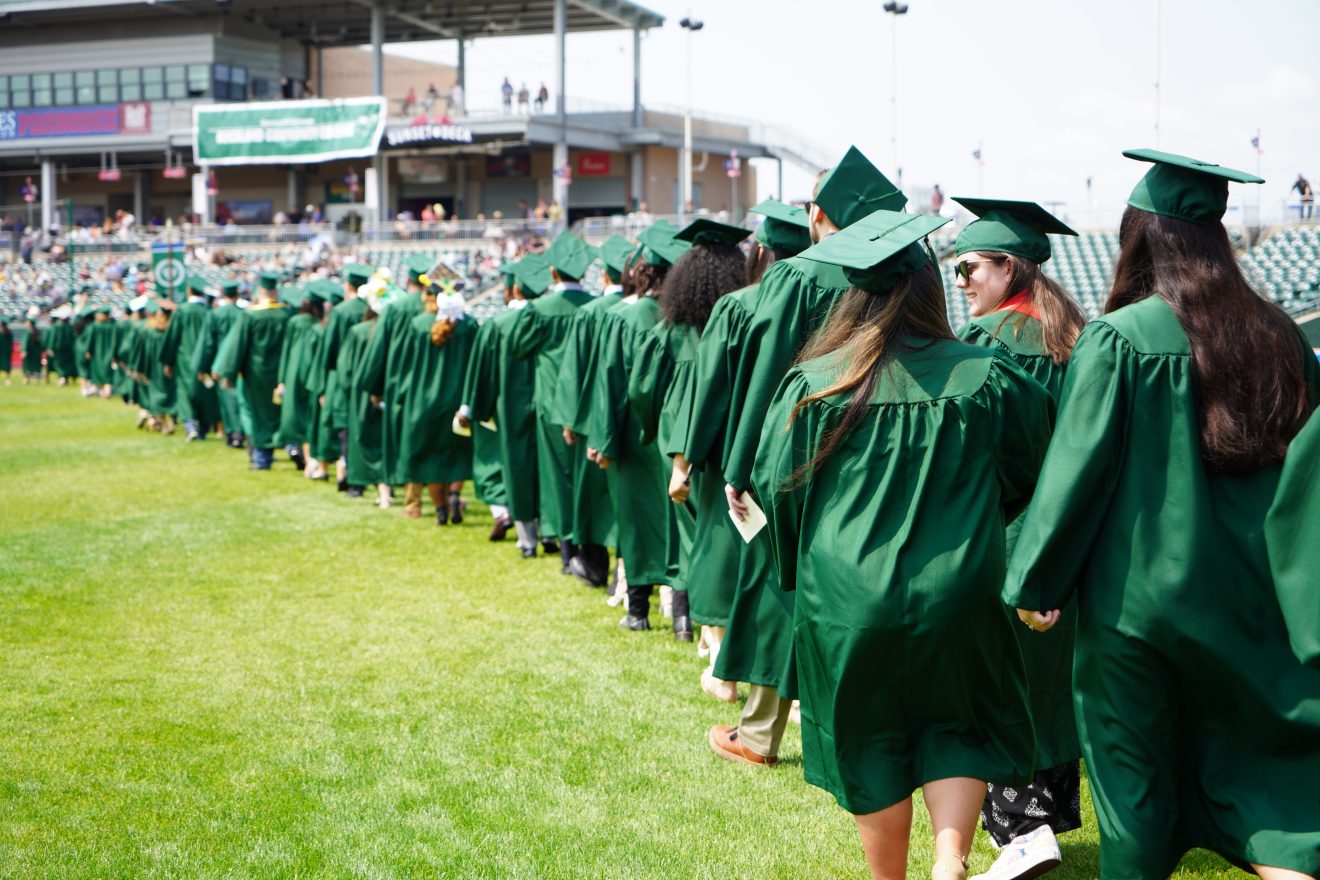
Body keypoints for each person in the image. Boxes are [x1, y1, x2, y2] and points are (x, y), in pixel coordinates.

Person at [1006, 149, 1320, 880]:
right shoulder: (1280, 336)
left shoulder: (1120, 341)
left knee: (1136, 799)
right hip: (1253, 604)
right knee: (1264, 786)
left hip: (1136, 617)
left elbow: (1075, 474)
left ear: (1139, 240)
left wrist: (1037, 584)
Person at [753, 209, 1052, 880]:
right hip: (961, 587)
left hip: (848, 592)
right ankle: (950, 864)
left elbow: (783, 494)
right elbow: (1030, 466)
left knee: (873, 738)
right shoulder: (986, 376)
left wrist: (803, 572)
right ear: (930, 292)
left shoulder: (816, 383)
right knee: (957, 726)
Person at [707, 147, 905, 771]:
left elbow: (763, 375)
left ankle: (760, 734)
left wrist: (739, 466)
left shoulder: (798, 273)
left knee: (777, 586)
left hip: (797, 452)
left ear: (818, 213)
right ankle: (869, 727)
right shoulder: (905, 266)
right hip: (882, 450)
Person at [948, 197, 1088, 880]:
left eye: (970, 266)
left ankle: (1023, 831)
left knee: (996, 678)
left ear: (1009, 268)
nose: (961, 278)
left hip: (1005, 536)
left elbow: (983, 456)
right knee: (1048, 679)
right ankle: (1045, 820)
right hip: (1067, 538)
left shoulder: (991, 344)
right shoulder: (1075, 337)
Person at [631, 218, 749, 646]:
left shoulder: (668, 332)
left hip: (680, 442)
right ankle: (719, 627)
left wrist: (653, 431)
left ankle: (688, 621)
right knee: (727, 534)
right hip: (734, 440)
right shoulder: (744, 323)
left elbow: (642, 391)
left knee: (689, 535)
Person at [591, 222, 692, 632]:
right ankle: (685, 617)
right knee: (677, 521)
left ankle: (639, 612)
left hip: (635, 438)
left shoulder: (624, 316)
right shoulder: (688, 321)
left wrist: (604, 441)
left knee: (635, 523)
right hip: (677, 439)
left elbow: (612, 384)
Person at [508, 232, 601, 571]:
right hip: (590, 405)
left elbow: (517, 347)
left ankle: (567, 552)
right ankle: (592, 549)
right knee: (588, 478)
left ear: (553, 274)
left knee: (557, 477)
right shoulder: (597, 307)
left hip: (551, 404)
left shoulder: (539, 309)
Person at [557, 235, 633, 581]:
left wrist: (570, 419)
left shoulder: (590, 313)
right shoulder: (641, 312)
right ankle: (627, 566)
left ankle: (594, 564)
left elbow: (573, 372)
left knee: (593, 495)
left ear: (604, 275)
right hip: (632, 420)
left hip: (591, 419)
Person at [467, 257, 547, 556]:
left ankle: (527, 540)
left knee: (517, 469)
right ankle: (551, 533)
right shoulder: (549, 318)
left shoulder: (497, 324)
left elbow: (483, 374)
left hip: (509, 411)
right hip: (546, 408)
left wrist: (477, 409)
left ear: (513, 289)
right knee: (546, 468)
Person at [395, 287, 476, 524]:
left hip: (424, 402)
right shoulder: (469, 326)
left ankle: (440, 509)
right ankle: (454, 495)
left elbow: (405, 365)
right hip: (458, 401)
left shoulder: (419, 324)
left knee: (432, 458)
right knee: (457, 453)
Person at [360, 256, 432, 502]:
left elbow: (379, 352)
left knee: (402, 436)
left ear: (408, 280)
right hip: (433, 382)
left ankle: (406, 489)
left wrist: (373, 385)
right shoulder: (435, 307)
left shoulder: (395, 309)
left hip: (399, 383)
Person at [213, 271, 292, 470]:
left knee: (257, 415)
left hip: (256, 374)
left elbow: (237, 346)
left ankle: (262, 457)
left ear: (260, 291)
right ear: (275, 291)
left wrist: (228, 373)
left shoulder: (251, 315)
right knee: (284, 411)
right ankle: (293, 446)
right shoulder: (287, 315)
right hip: (283, 373)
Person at [309, 264, 370, 493]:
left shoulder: (341, 311)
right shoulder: (372, 308)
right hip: (368, 374)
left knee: (345, 428)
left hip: (342, 375)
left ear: (348, 286)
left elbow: (330, 349)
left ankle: (353, 478)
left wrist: (323, 384)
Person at [273, 281, 327, 470]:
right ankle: (309, 454)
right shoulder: (320, 324)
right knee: (309, 415)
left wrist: (281, 379)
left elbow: (286, 350)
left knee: (293, 413)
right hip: (313, 371)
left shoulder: (295, 322)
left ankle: (295, 449)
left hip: (293, 371)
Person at [161, 276, 221, 441]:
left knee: (185, 393)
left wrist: (168, 361)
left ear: (188, 291)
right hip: (207, 360)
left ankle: (190, 425)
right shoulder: (209, 311)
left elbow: (173, 337)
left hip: (184, 360)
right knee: (205, 394)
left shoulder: (182, 311)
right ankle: (202, 428)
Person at [191, 279, 246, 448]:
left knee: (227, 399)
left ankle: (233, 432)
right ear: (237, 295)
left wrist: (202, 367)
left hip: (221, 363)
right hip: (242, 362)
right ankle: (241, 431)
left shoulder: (215, 314)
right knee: (241, 398)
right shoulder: (244, 314)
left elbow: (208, 343)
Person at [43, 306, 78, 385]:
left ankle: (62, 377)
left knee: (58, 363)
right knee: (66, 364)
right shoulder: (69, 327)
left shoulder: (56, 326)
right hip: (68, 349)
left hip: (57, 349)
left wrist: (50, 347)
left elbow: (53, 338)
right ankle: (64, 378)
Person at [21, 311, 43, 384]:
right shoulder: (37, 332)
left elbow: (25, 343)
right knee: (36, 367)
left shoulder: (28, 332)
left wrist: (23, 350)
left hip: (29, 353)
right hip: (36, 353)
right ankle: (37, 381)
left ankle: (26, 380)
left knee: (28, 367)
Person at [0, 320, 12, 385]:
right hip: (7, 352)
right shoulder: (9, 333)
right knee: (7, 366)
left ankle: (7, 380)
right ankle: (8, 379)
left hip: (2, 352)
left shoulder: (1, 333)